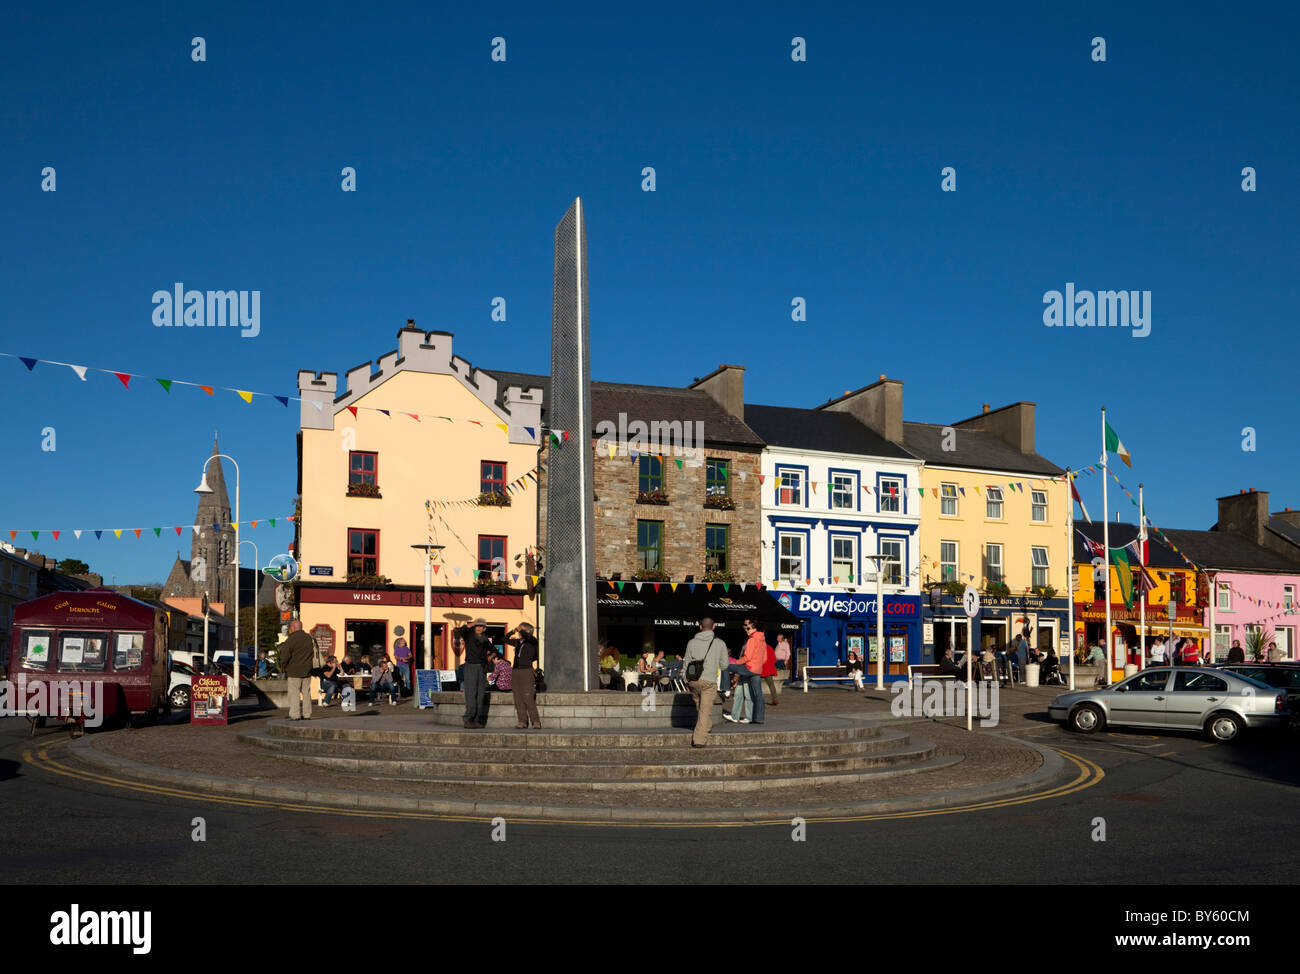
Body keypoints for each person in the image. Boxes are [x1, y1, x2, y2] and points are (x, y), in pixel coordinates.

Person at [683, 618, 728, 747]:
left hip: (693, 681)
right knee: (704, 710)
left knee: (701, 707)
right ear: (713, 627)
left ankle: (707, 725)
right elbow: (724, 665)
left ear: (700, 627)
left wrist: (686, 681)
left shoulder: (691, 643)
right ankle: (699, 740)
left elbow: (686, 662)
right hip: (709, 681)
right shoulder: (720, 643)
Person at [721, 618, 767, 725]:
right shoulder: (763, 640)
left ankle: (726, 689)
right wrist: (757, 665)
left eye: (748, 627)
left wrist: (736, 662)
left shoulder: (752, 639)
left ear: (754, 628)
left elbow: (747, 657)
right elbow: (764, 658)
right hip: (757, 669)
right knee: (758, 694)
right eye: (745, 627)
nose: (746, 629)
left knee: (726, 666)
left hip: (749, 668)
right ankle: (759, 718)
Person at [277, 620, 316, 720]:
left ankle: (295, 715)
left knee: (294, 694)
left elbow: (285, 656)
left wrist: (284, 667)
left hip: (294, 671)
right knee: (306, 693)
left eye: (290, 628)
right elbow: (312, 654)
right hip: (307, 670)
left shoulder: (291, 639)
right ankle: (307, 714)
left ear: (293, 627)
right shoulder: (309, 638)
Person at [506, 623, 541, 729]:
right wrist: (513, 631)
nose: (519, 631)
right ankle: (522, 721)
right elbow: (504, 639)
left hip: (527, 671)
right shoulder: (518, 642)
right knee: (518, 697)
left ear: (527, 631)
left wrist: (522, 630)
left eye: (521, 629)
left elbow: (528, 636)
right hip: (516, 670)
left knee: (528, 696)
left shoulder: (532, 641)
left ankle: (535, 721)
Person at [461, 618, 493, 728]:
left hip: (481, 668)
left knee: (480, 694)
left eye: (481, 626)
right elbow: (461, 630)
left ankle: (477, 719)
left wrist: (489, 658)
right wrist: (472, 623)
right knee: (471, 693)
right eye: (477, 626)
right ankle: (468, 719)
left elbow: (494, 650)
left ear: (484, 628)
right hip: (471, 666)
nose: (479, 628)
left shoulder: (485, 639)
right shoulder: (469, 636)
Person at [761, 636, 780, 705]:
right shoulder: (769, 647)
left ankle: (758, 699)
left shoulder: (759, 648)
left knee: (756, 684)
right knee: (771, 685)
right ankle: (775, 699)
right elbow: (774, 659)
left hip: (760, 669)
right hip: (769, 669)